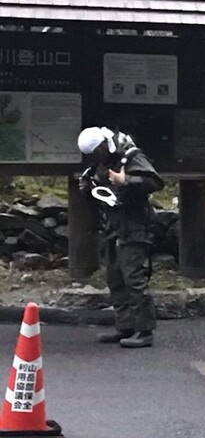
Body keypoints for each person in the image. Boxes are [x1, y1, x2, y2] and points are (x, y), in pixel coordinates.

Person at [77, 127, 164, 348]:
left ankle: (144, 331)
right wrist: (87, 189)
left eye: (96, 152)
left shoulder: (131, 156)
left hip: (135, 227)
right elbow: (99, 194)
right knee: (115, 279)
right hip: (113, 227)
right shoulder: (100, 164)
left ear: (103, 145)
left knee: (134, 278)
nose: (95, 158)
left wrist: (126, 181)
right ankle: (125, 326)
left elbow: (155, 182)